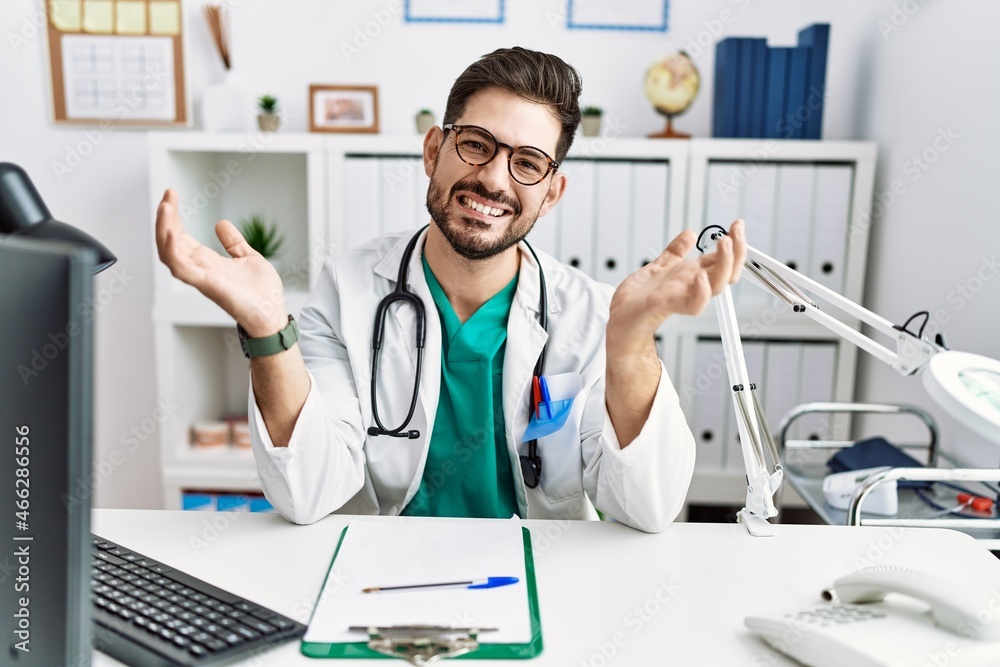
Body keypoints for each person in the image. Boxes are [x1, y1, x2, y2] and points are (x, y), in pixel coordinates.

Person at [156, 47, 746, 533]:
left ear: (552, 192)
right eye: (476, 145)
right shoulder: (349, 291)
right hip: (380, 572)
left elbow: (648, 508)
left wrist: (633, 342)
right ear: (435, 150)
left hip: (543, 574)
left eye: (527, 162)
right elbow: (306, 492)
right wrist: (266, 330)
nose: (492, 177)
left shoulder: (591, 315)